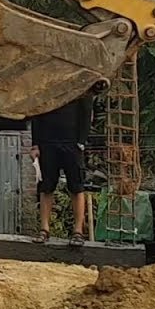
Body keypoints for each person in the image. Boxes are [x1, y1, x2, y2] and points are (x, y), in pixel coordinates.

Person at [29, 85, 98, 246]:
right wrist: (35, 145)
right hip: (48, 143)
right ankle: (44, 230)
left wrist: (81, 141)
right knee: (46, 187)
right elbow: (36, 114)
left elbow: (86, 113)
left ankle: (78, 232)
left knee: (76, 187)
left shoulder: (81, 84)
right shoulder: (46, 86)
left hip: (72, 143)